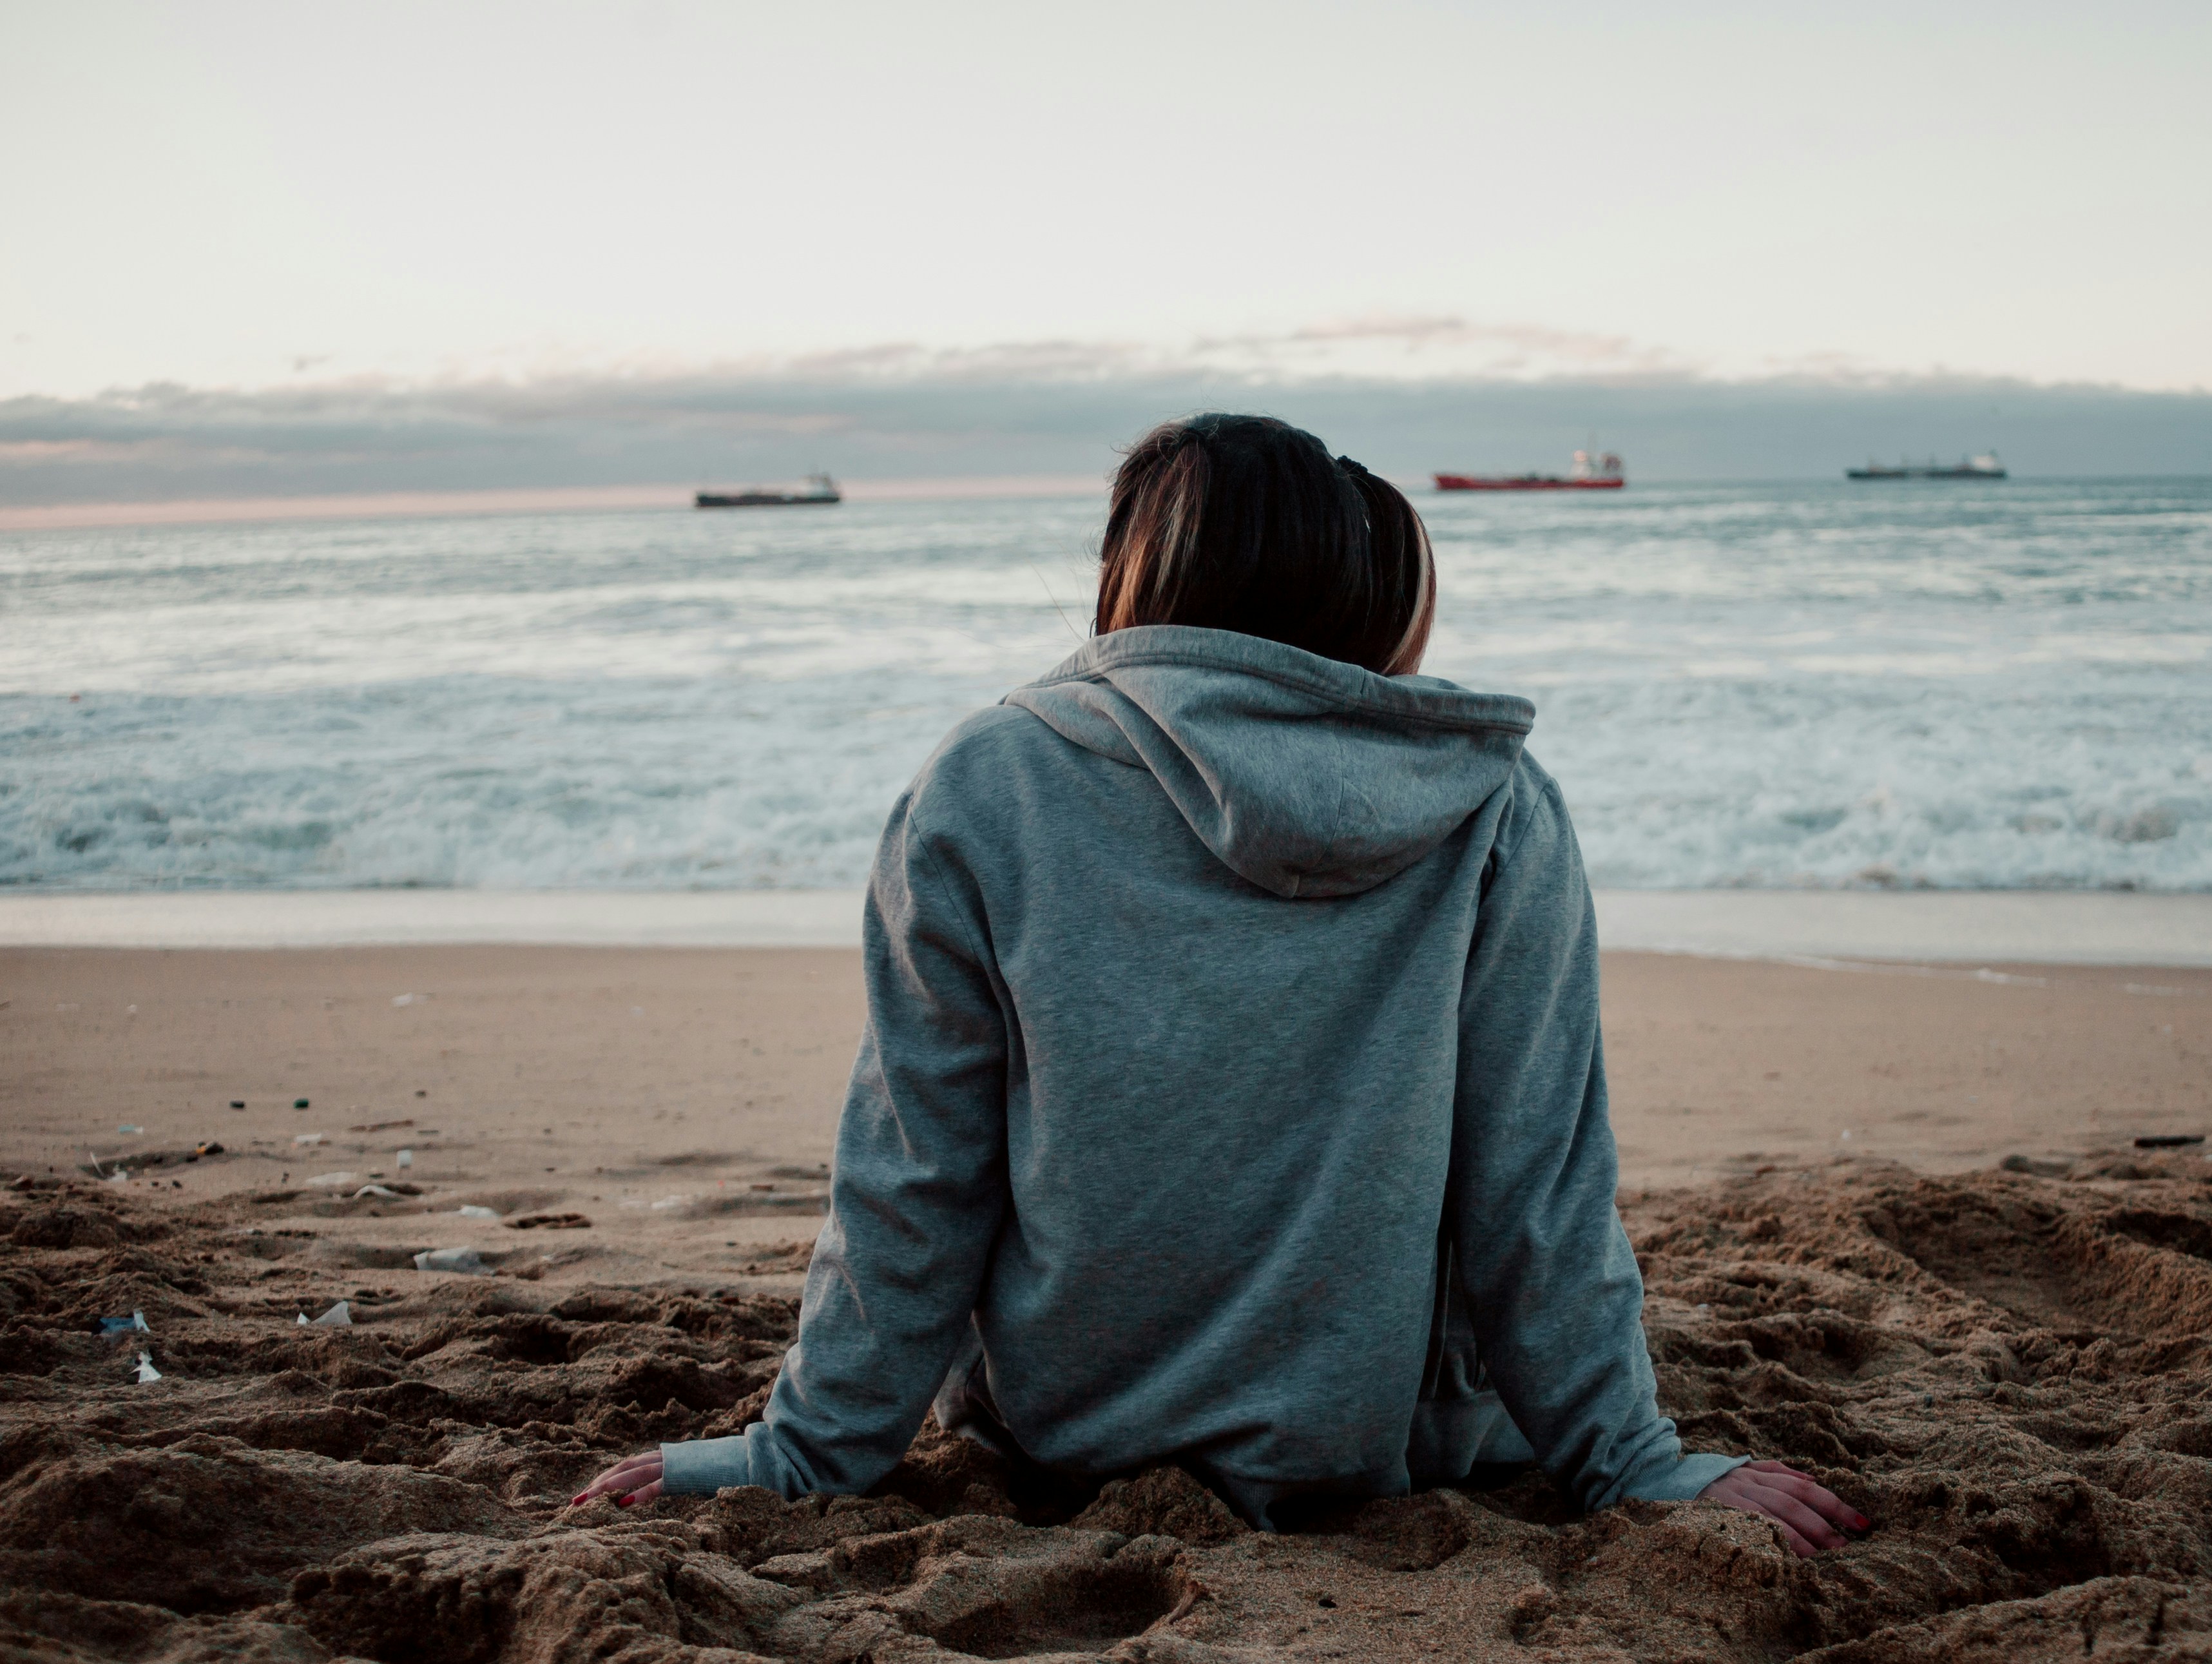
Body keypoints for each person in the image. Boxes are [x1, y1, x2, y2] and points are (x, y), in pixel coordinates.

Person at [578, 414, 1865, 1556]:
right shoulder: (1491, 803)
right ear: (1348, 583)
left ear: (1137, 574)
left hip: (1065, 1437)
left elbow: (915, 1178)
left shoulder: (987, 781)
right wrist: (1628, 1461)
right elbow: (1535, 1184)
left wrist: (801, 1456)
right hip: (1385, 1443)